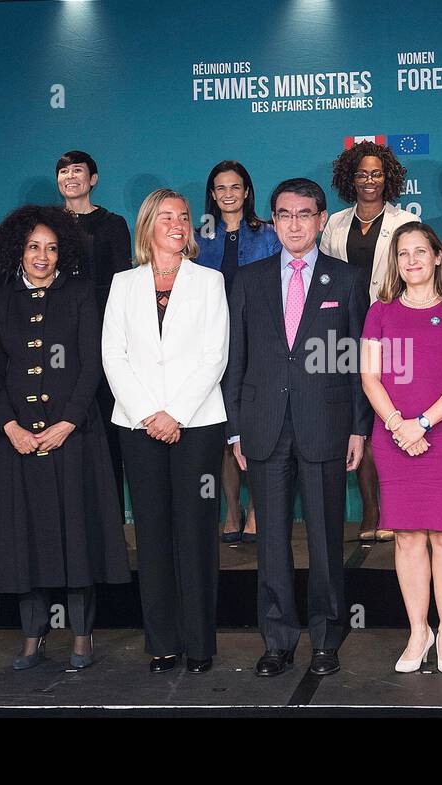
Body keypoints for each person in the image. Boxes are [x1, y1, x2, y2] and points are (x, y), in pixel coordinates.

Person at [223, 178, 371, 677]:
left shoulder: (346, 279)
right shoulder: (249, 278)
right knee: (271, 544)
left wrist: (358, 427)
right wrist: (237, 430)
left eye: (304, 214)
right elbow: (235, 360)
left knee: (328, 540)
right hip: (263, 427)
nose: (294, 223)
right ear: (273, 220)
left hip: (326, 424)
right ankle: (278, 640)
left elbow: (354, 358)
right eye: (284, 214)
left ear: (321, 218)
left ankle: (327, 638)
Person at [0, 205, 130, 670]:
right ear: (18, 252)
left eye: (50, 248)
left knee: (77, 533)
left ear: (64, 251)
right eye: (33, 247)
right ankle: (32, 636)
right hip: (18, 441)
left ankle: (82, 636)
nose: (42, 256)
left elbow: (92, 365)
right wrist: (9, 427)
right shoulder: (3, 299)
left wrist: (68, 422)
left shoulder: (83, 293)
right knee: (24, 537)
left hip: (76, 436)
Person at [102, 190, 229, 673]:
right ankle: (163, 643)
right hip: (137, 425)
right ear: (148, 225)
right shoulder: (123, 283)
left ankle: (200, 644)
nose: (177, 224)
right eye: (167, 217)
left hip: (197, 424)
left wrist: (174, 413)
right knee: (152, 535)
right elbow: (113, 355)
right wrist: (149, 412)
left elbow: (214, 355)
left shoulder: (209, 281)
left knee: (196, 534)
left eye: (184, 217)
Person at [360, 222, 442, 674]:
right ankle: (418, 631)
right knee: (408, 536)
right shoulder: (380, 312)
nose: (411, 260)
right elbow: (369, 376)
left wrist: (422, 423)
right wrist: (397, 424)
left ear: (436, 257)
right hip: (393, 437)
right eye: (402, 253)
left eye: (419, 252)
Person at [322, 141, 420, 542]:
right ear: (350, 178)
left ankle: (395, 508)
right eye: (361, 173)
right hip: (341, 331)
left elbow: (413, 273)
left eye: (376, 173)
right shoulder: (334, 224)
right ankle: (370, 511)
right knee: (355, 419)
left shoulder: (403, 222)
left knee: (389, 415)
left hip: (389, 327)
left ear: (389, 178)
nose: (369, 180)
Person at [195, 160, 280, 545]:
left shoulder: (268, 233)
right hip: (212, 343)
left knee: (260, 427)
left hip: (261, 340)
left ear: (247, 191)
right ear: (212, 195)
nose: (228, 194)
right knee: (224, 427)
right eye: (220, 188)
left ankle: (258, 514)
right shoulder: (198, 238)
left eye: (235, 187)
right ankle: (231, 510)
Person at [56, 150, 134, 525]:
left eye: (78, 170)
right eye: (64, 171)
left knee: (107, 433)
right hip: (57, 342)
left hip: (105, 341)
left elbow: (122, 285)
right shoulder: (45, 225)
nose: (70, 177)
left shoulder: (113, 223)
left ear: (94, 178)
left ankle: (111, 529)